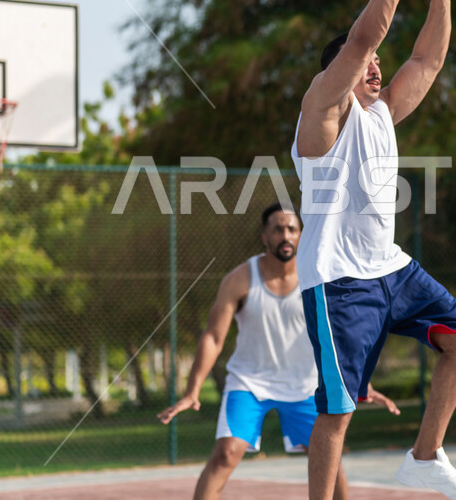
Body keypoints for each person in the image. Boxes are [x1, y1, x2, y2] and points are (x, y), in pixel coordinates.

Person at [291, 0, 456, 500]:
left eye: (377, 64)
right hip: (338, 281)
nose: (377, 66)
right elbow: (363, 37)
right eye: (367, 64)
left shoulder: (380, 117)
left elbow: (426, 60)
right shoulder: (321, 115)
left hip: (390, 269)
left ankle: (425, 457)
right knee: (339, 413)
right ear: (338, 74)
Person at [156, 203, 400, 500]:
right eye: (278, 229)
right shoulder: (240, 279)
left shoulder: (320, 276)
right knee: (225, 453)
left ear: (301, 235)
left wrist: (362, 383)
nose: (285, 235)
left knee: (329, 463)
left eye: (292, 229)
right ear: (264, 236)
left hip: (306, 386)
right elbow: (213, 337)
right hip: (249, 382)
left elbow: (343, 336)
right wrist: (193, 390)